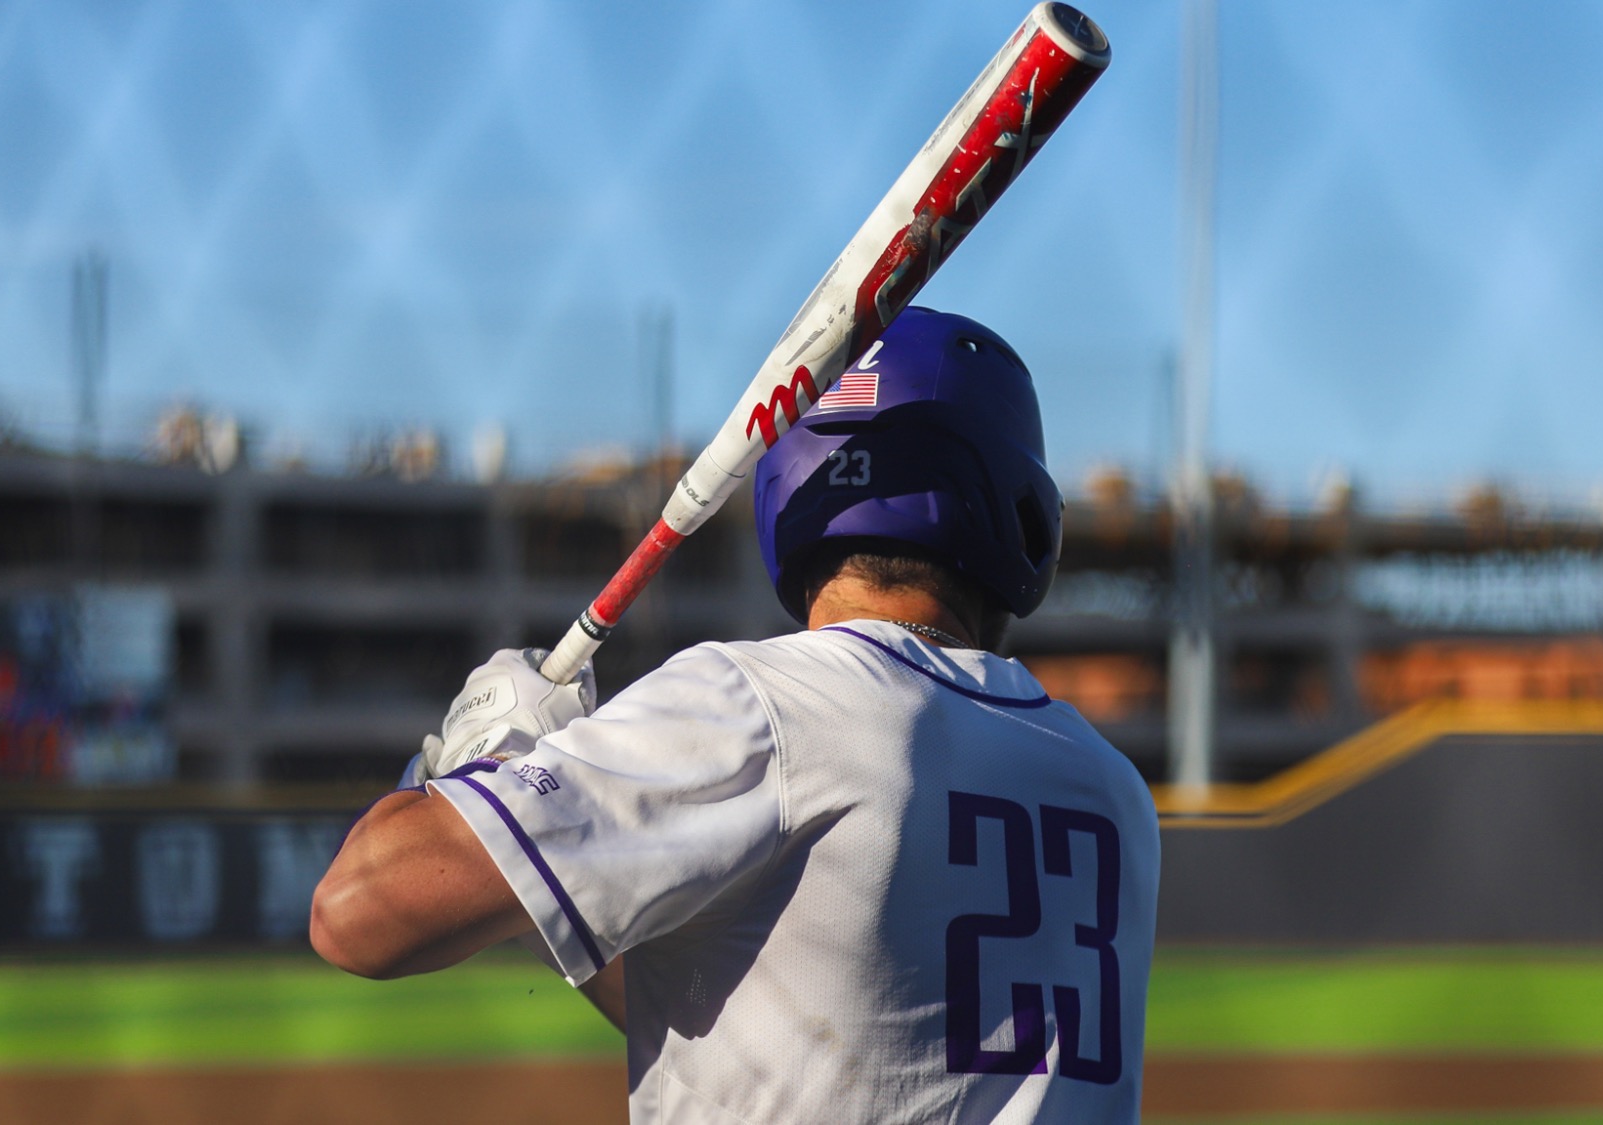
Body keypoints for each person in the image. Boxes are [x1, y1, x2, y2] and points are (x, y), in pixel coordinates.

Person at [311, 307, 1161, 1123]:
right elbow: (728, 1010)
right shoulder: (1111, 789)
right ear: (1018, 507)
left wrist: (483, 776)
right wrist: (543, 855)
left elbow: (355, 911)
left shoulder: (763, 703)